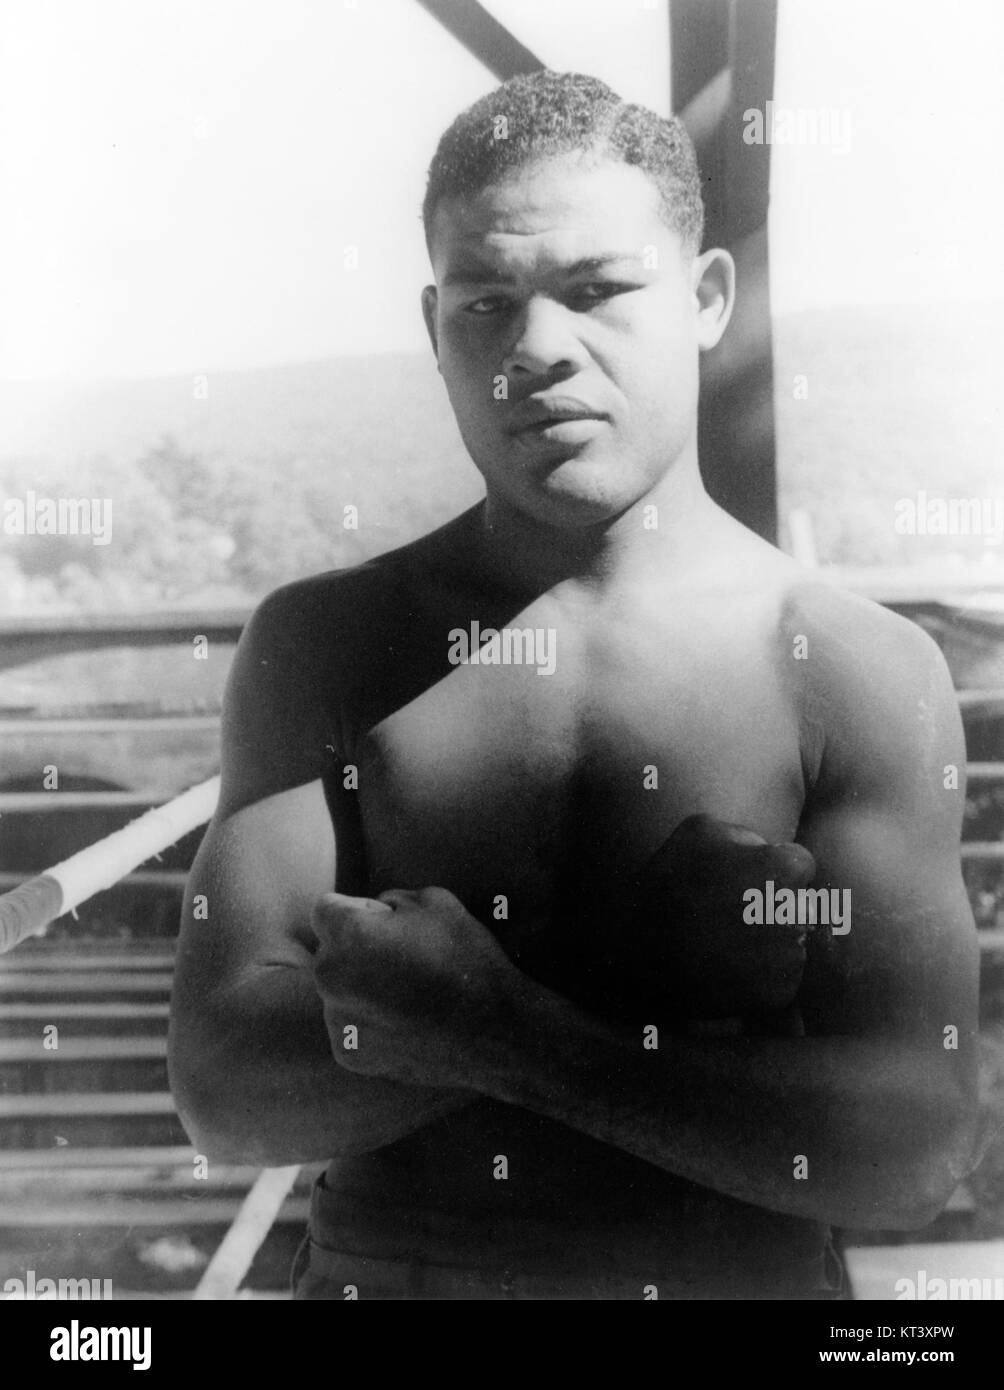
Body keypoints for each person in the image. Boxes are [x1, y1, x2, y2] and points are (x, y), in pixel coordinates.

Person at [168, 71, 979, 1300]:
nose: (537, 349)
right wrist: (626, 986)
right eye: (486, 304)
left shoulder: (854, 669)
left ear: (706, 298)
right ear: (434, 328)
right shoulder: (327, 643)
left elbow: (912, 1143)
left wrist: (487, 1023)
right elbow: (224, 1086)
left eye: (596, 289)